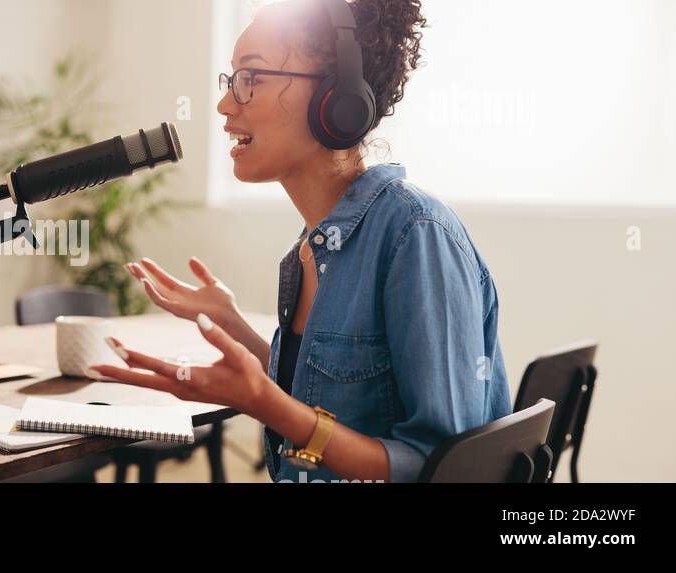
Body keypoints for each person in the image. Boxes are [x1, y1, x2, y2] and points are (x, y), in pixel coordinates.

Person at [90, 0, 511, 483]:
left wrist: (265, 403)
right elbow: (330, 393)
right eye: (231, 81)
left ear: (337, 99)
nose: (226, 104)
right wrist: (236, 328)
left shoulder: (414, 235)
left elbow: (444, 470)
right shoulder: (311, 250)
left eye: (250, 78)